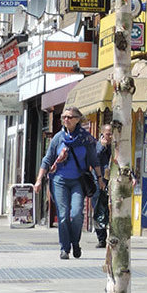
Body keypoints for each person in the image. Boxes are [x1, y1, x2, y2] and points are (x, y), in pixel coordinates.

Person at [34, 107, 102, 260]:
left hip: (78, 181)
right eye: (64, 117)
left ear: (78, 119)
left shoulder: (85, 139)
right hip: (59, 181)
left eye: (70, 117)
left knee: (76, 214)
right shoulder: (58, 138)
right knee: (63, 215)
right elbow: (47, 159)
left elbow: (94, 160)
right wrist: (39, 180)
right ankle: (65, 248)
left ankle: (75, 242)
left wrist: (99, 178)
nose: (66, 119)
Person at [90, 122, 113, 248]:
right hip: (98, 181)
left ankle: (113, 237)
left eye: (111, 134)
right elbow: (93, 160)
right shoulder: (96, 145)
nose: (110, 137)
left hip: (112, 181)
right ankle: (101, 238)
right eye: (108, 134)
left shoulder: (115, 146)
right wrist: (102, 148)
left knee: (112, 209)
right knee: (99, 209)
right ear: (102, 134)